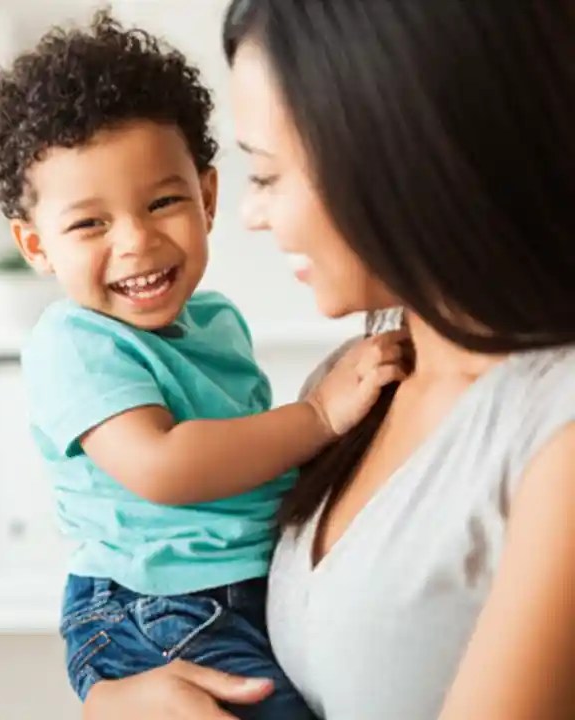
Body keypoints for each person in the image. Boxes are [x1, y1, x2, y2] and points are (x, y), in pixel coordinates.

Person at [82, 1, 575, 718]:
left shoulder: (554, 439)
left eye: (269, 175)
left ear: (404, 159)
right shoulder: (361, 381)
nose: (251, 214)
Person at [0, 12, 405, 719]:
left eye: (163, 202)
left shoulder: (217, 323)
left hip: (229, 590)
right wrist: (317, 417)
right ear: (36, 245)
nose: (137, 241)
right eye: (90, 223)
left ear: (207, 198)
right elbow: (164, 467)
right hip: (152, 606)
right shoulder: (73, 343)